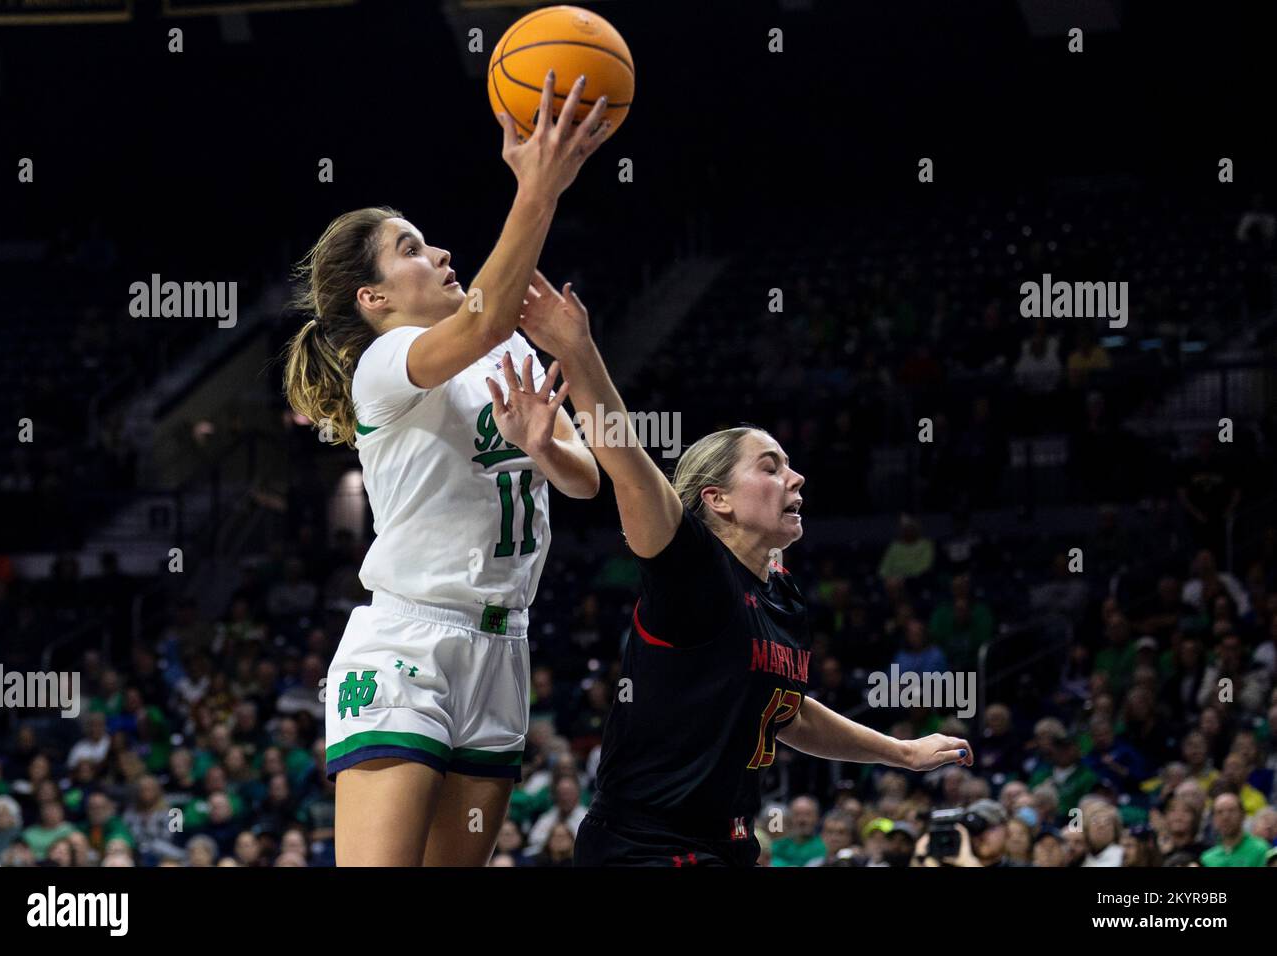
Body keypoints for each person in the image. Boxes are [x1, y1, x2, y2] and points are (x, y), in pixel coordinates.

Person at [510, 272, 974, 868]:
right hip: (644, 849)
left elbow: (789, 711)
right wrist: (578, 351)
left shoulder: (784, 596)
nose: (796, 477)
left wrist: (903, 755)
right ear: (716, 498)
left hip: (727, 845)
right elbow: (625, 461)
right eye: (771, 466)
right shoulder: (693, 568)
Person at [280, 71, 611, 866]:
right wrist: (539, 188)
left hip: (504, 650)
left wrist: (543, 445)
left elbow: (585, 480)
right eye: (411, 249)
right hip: (407, 645)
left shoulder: (506, 350)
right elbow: (486, 311)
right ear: (373, 298)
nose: (439, 253)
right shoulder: (384, 364)